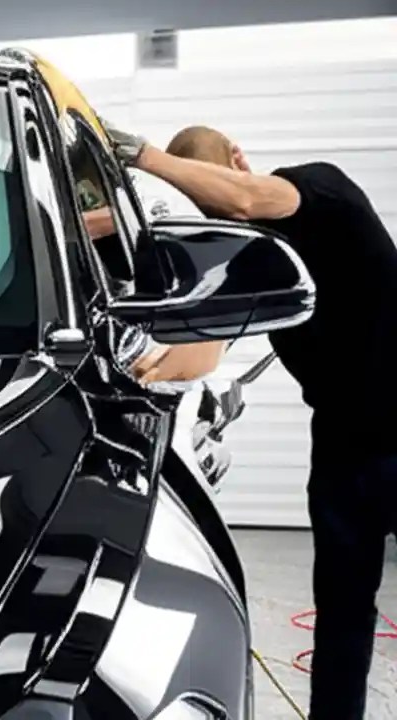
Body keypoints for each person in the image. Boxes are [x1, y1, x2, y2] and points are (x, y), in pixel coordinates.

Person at [108, 123, 397, 719]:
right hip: (343, 445)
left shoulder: (322, 190)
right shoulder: (249, 258)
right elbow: (198, 350)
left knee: (347, 610)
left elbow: (243, 198)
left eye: (214, 204)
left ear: (238, 160)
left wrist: (144, 157)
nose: (221, 219)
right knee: (343, 612)